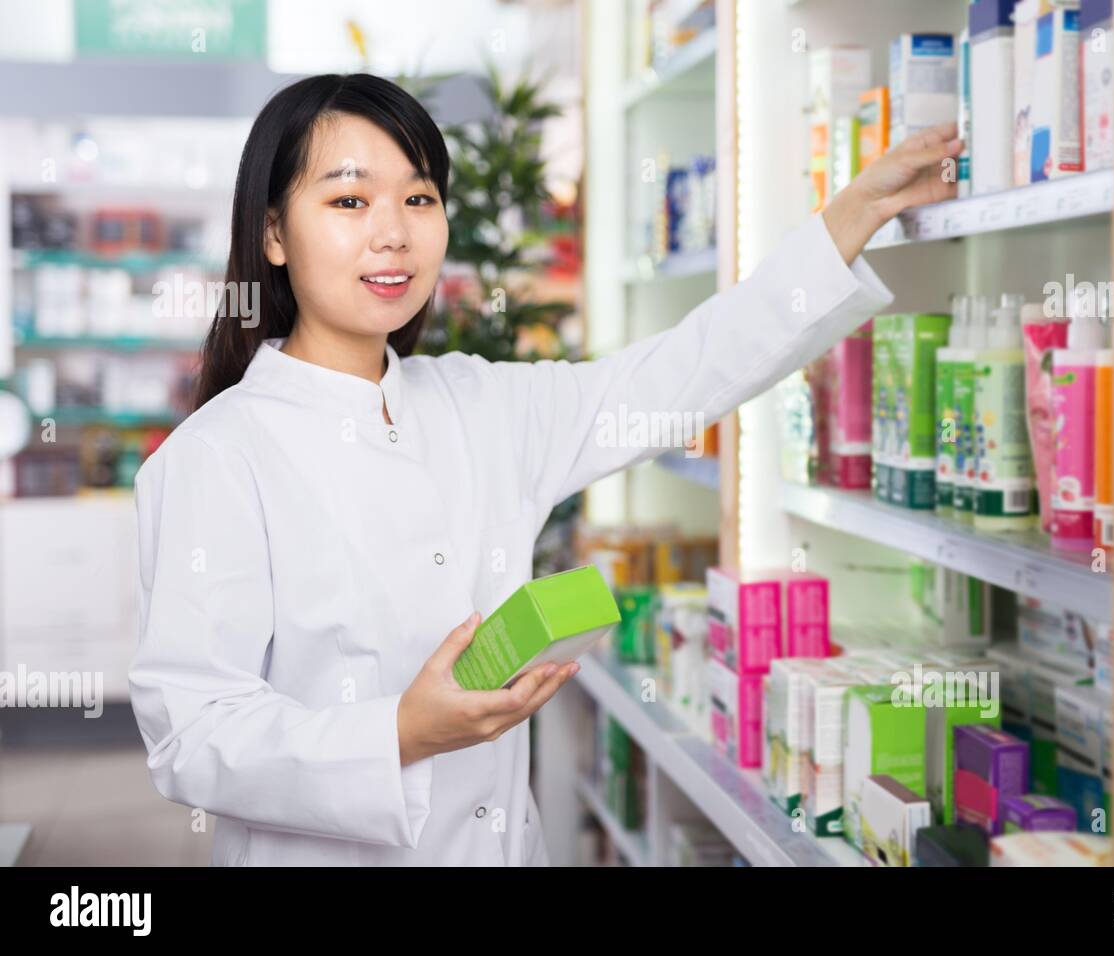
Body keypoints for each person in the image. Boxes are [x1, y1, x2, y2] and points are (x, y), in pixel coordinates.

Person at [129, 72, 962, 866]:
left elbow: (683, 371)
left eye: (419, 198)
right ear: (273, 232)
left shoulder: (479, 405)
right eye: (348, 200)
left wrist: (859, 208)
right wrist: (402, 733)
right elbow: (194, 734)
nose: (393, 232)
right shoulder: (220, 456)